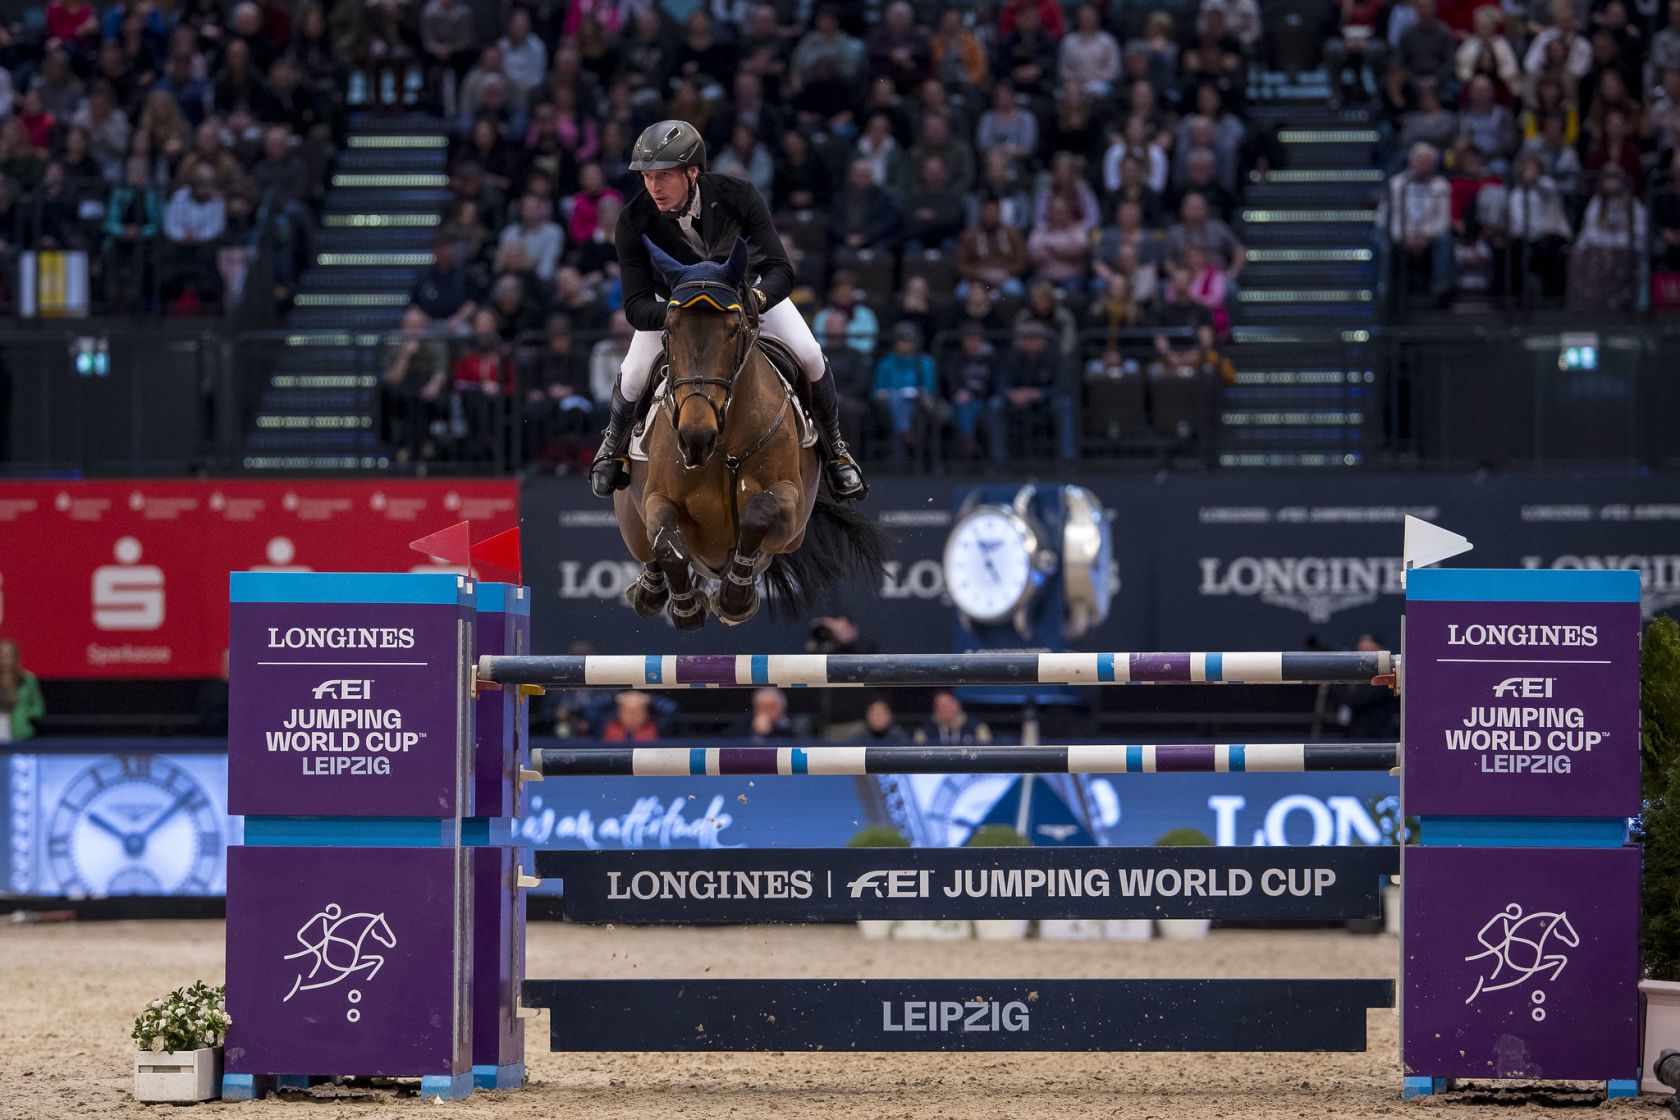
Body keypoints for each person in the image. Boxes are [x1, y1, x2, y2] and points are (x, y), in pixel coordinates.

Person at [589, 120, 866, 502]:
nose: (654, 187)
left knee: (809, 354)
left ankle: (836, 451)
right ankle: (613, 448)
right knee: (634, 373)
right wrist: (675, 315)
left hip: (745, 299)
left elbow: (780, 270)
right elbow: (636, 307)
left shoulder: (738, 195)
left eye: (664, 176)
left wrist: (756, 301)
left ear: (692, 171)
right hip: (678, 313)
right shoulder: (634, 221)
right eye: (648, 177)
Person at [0, 638, 44, 742]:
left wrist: (23, 714)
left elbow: (39, 708)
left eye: (9, 655)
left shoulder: (27, 680)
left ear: (16, 657)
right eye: (2, 655)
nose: (6, 659)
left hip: (21, 734)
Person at [915, 690, 991, 746]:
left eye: (949, 704)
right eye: (941, 706)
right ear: (935, 709)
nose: (945, 708)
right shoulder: (924, 731)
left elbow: (987, 755)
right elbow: (918, 758)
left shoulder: (978, 728)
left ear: (958, 705)